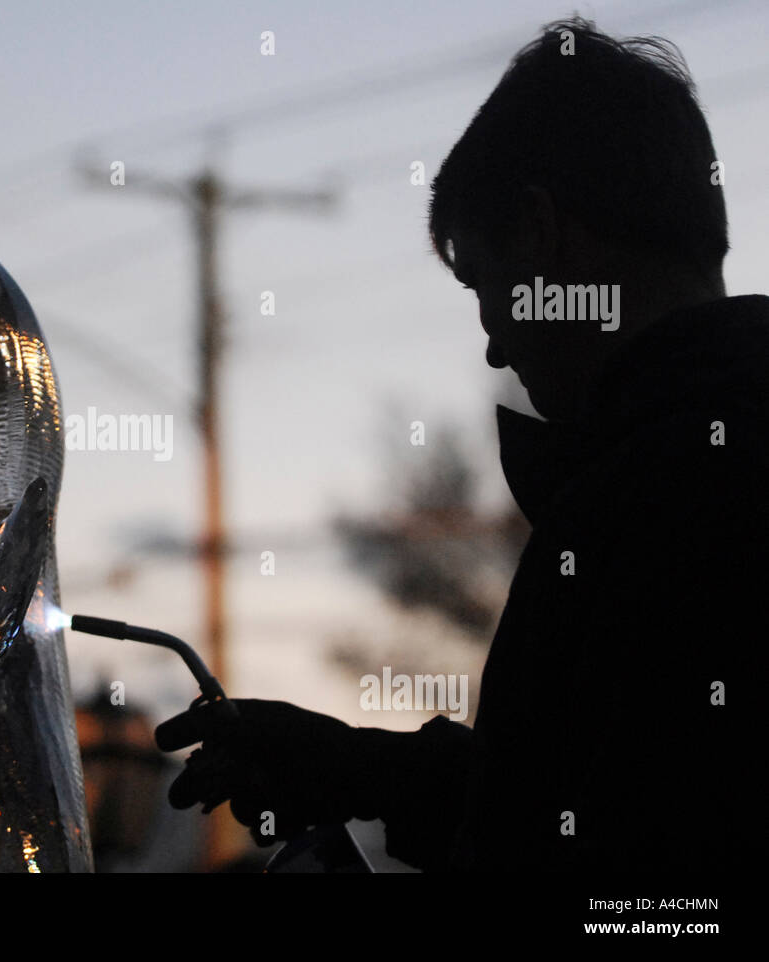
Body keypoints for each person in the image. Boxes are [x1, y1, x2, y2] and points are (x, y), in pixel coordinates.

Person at [155, 17, 765, 872]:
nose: (493, 344)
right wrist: (365, 772)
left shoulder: (652, 505)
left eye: (485, 282)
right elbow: (589, 810)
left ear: (538, 231)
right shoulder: (694, 466)